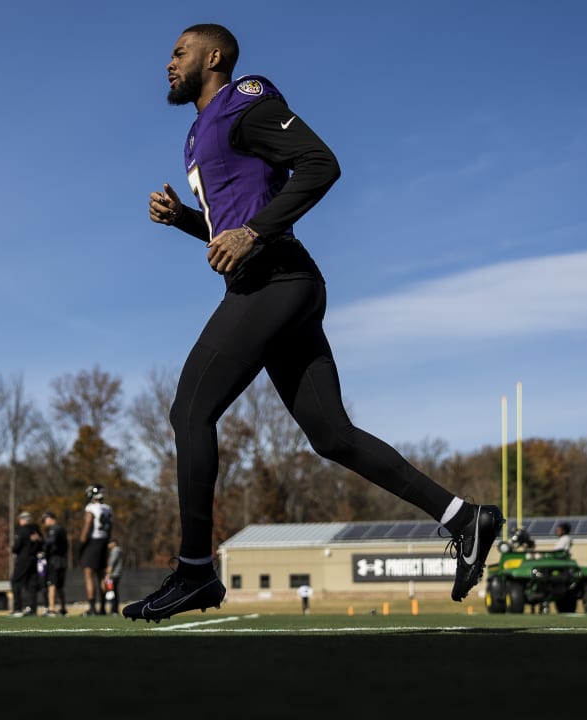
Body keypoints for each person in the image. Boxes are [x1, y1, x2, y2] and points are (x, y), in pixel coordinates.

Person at [126, 22, 504, 622]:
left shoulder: (242, 103)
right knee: (332, 436)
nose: (168, 63)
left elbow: (319, 163)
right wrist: (186, 221)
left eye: (179, 52)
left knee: (190, 410)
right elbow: (234, 223)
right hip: (276, 283)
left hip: (277, 280)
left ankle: (196, 571)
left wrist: (252, 234)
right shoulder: (200, 134)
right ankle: (465, 517)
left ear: (213, 56)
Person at [79, 485, 112, 615]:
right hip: (104, 541)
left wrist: (81, 543)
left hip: (93, 542)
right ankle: (103, 607)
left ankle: (92, 607)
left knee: (89, 575)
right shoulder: (108, 508)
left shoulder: (91, 508)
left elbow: (88, 524)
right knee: (101, 576)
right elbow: (110, 527)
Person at [10, 511, 42, 617]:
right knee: (31, 584)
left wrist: (13, 549)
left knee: (16, 582)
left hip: (23, 559)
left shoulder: (22, 530)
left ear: (23, 520)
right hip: (34, 559)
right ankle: (32, 608)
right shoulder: (36, 530)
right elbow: (42, 542)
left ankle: (17, 608)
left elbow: (17, 547)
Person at [41, 511, 69, 616]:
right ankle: (63, 608)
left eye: (45, 520)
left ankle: (52, 609)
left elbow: (50, 542)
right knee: (60, 586)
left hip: (54, 561)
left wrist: (43, 547)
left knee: (52, 584)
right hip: (62, 561)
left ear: (50, 519)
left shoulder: (54, 529)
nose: (44, 523)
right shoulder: (62, 529)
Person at [101, 537, 123, 615]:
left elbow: (111, 564)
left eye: (109, 543)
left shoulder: (115, 550)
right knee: (114, 593)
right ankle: (114, 610)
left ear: (114, 543)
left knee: (112, 593)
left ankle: (114, 610)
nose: (108, 545)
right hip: (116, 575)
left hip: (113, 575)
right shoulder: (118, 550)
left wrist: (107, 575)